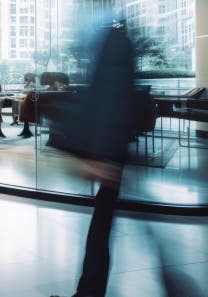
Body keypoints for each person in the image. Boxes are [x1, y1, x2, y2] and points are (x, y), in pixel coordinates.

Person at [52, 21, 135, 297]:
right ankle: (89, 291)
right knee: (102, 224)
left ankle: (89, 292)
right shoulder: (105, 39)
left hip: (109, 152)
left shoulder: (114, 41)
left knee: (102, 226)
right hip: (108, 150)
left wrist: (103, 154)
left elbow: (114, 97)